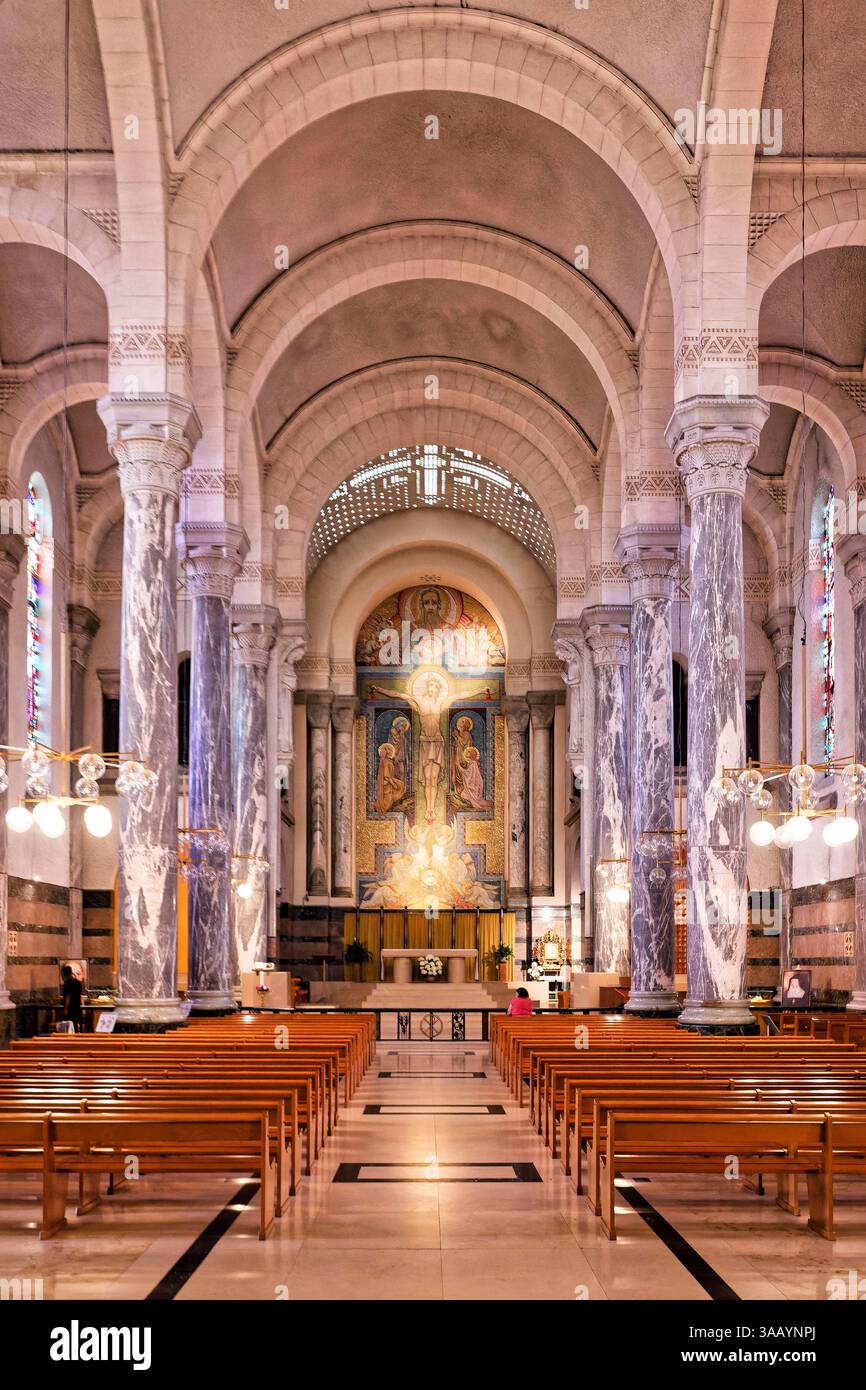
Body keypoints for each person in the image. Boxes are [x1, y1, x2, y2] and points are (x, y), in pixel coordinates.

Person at [61, 964, 84, 1032]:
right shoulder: (78, 982)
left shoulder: (67, 983)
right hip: (77, 1006)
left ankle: (71, 1038)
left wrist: (65, 1008)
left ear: (65, 974)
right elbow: (79, 995)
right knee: (76, 1023)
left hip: (70, 1007)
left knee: (70, 1024)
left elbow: (68, 996)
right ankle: (78, 1036)